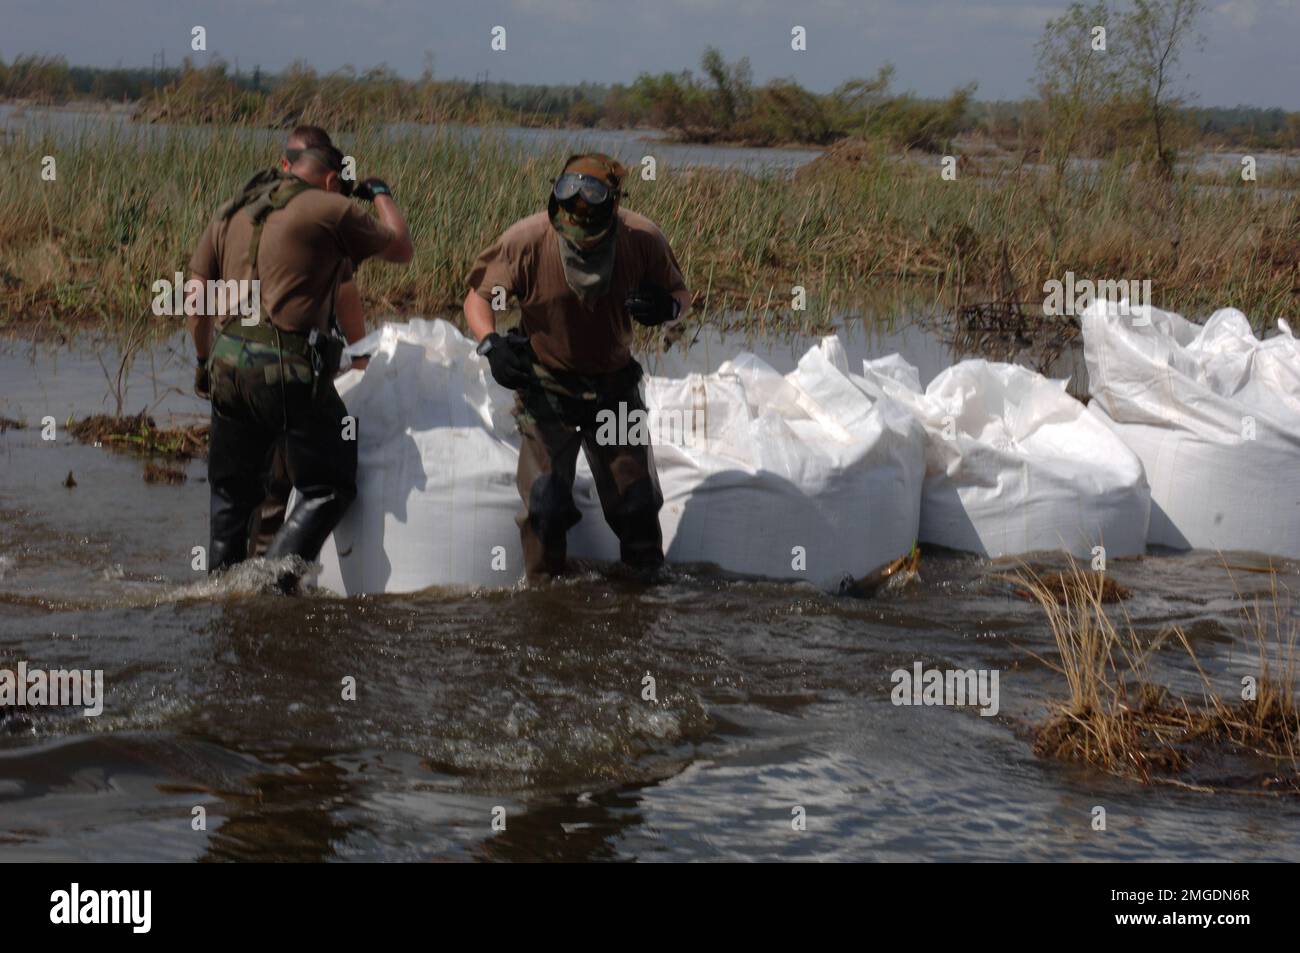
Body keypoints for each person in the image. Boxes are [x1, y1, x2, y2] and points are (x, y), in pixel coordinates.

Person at [187, 125, 413, 577]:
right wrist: (381, 192)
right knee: (329, 484)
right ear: (331, 179)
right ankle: (272, 582)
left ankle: (219, 591)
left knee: (232, 495)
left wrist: (203, 361)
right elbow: (400, 247)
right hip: (288, 370)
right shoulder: (331, 207)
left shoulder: (234, 209)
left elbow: (196, 296)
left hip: (227, 364)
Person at [464, 152, 690, 581]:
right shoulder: (526, 240)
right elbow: (480, 298)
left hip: (614, 388)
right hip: (548, 389)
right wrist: (490, 343)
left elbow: (680, 293)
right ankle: (548, 598)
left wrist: (668, 306)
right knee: (546, 506)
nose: (580, 238)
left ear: (615, 208)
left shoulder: (642, 239)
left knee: (637, 504)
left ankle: (643, 599)